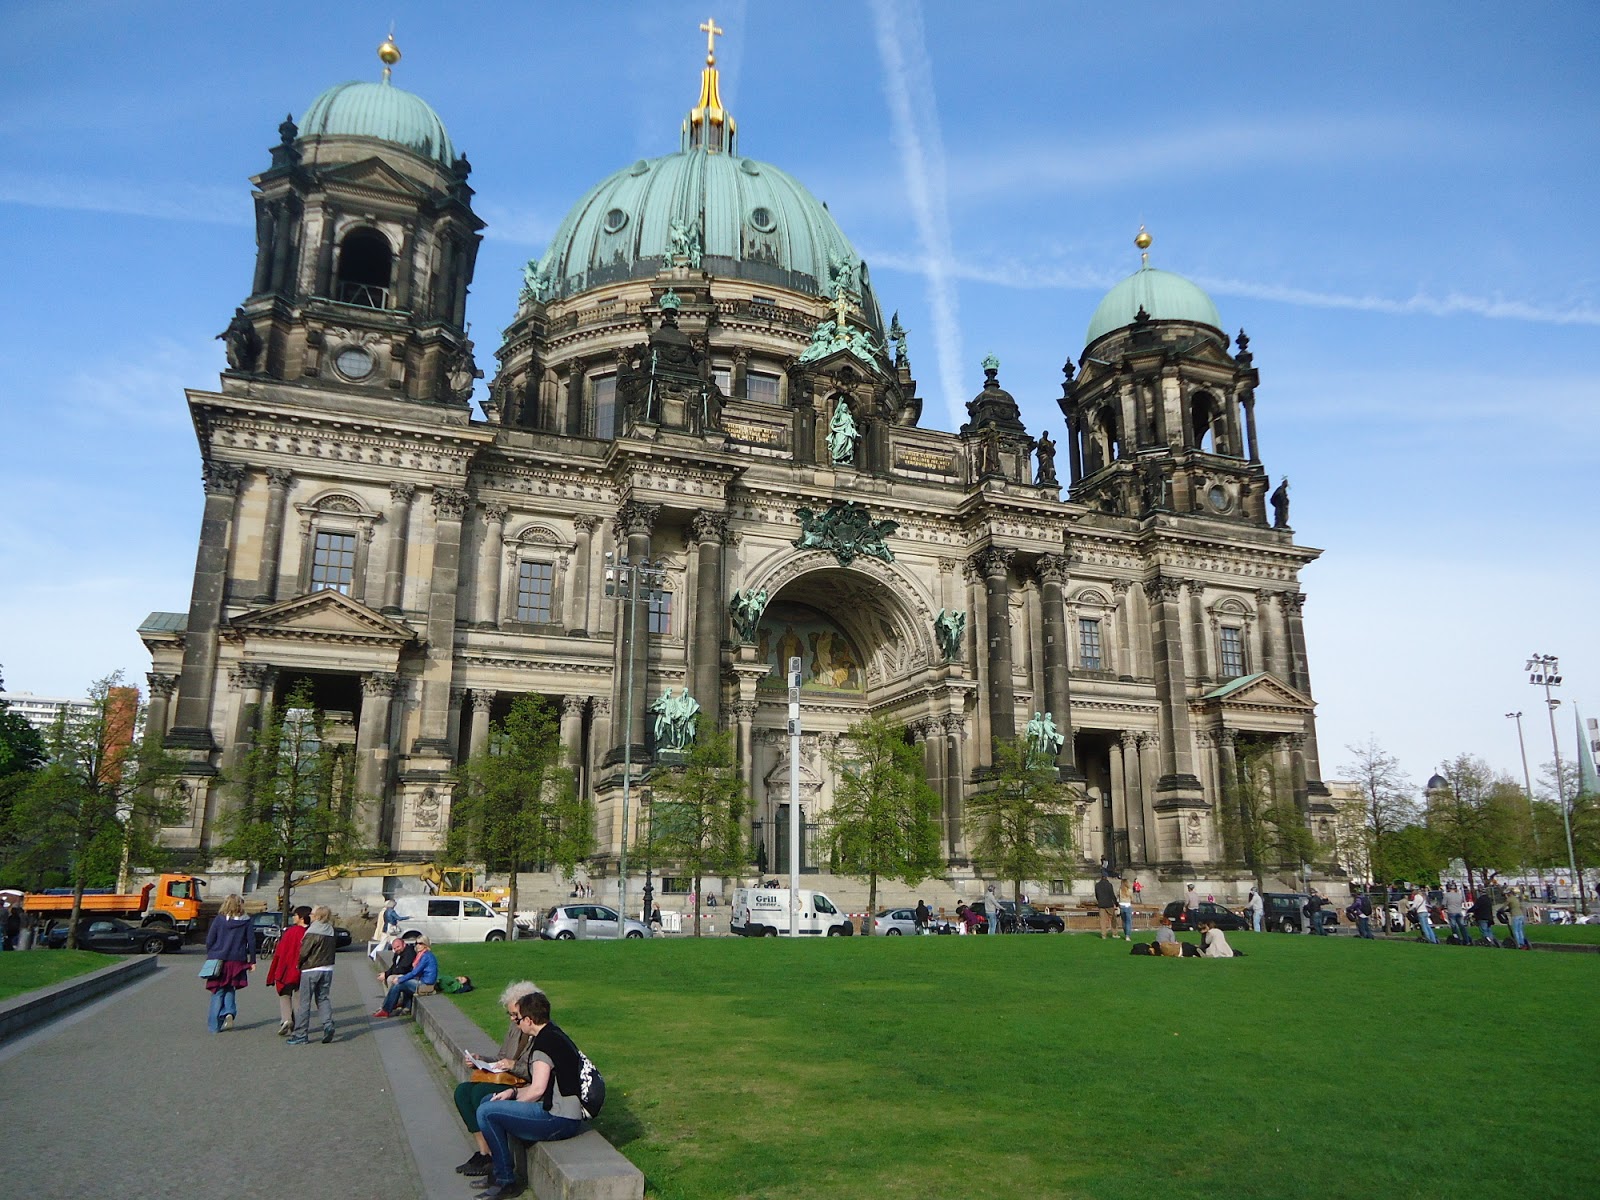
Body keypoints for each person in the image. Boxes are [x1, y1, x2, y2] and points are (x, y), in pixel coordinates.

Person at [474, 990, 591, 1199]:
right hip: (560, 1110)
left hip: (559, 1119)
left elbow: (537, 1089)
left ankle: (505, 1181)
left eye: (518, 1020)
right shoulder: (555, 1033)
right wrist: (512, 1093)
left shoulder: (543, 1045)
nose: (516, 1025)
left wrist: (513, 1101)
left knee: (486, 1111)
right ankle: (498, 1170)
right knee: (488, 1101)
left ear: (529, 1020)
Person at [454, 980, 545, 1179]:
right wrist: (481, 1060)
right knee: (463, 1091)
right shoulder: (515, 1028)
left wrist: (513, 1066)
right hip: (505, 1077)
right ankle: (484, 1152)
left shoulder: (541, 1035)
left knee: (480, 1093)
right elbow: (502, 1055)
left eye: (515, 1015)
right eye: (511, 1015)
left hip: (521, 1083)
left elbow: (537, 1072)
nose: (513, 1019)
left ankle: (497, 1157)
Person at [203, 893, 257, 1033]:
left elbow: (210, 940)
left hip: (219, 958)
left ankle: (214, 1026)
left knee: (217, 991)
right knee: (230, 987)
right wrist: (252, 961)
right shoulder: (246, 921)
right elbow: (251, 941)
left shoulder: (219, 920)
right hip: (237, 960)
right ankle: (229, 1012)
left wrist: (211, 954)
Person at [288, 904, 338, 1045]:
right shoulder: (331, 930)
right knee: (323, 998)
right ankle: (328, 1024)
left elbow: (304, 951)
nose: (310, 916)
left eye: (313, 914)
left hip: (311, 969)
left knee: (304, 1003)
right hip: (327, 969)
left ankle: (301, 1034)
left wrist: (299, 963)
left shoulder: (313, 930)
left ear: (317, 916)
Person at [266, 905, 310, 1036]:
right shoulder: (310, 933)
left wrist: (273, 972)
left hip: (286, 970)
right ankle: (299, 1025)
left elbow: (279, 953)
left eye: (295, 915)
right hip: (303, 970)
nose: (293, 917)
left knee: (284, 995)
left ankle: (287, 1019)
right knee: (299, 998)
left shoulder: (290, 932)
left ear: (301, 918)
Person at [374, 933, 438, 1017]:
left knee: (398, 984)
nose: (418, 946)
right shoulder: (421, 955)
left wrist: (401, 979)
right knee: (402, 983)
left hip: (425, 984)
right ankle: (391, 1006)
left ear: (426, 944)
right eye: (416, 943)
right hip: (421, 980)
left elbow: (415, 972)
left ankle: (386, 1009)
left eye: (420, 943)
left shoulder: (426, 956)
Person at [1094, 874, 1118, 940]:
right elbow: (1112, 895)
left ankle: (1103, 935)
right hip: (1109, 904)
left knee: (1102, 920)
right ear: (1106, 877)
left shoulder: (1097, 885)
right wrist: (1116, 903)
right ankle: (1114, 933)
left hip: (1101, 904)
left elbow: (1096, 895)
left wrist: (1099, 901)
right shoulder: (1109, 885)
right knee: (1113, 919)